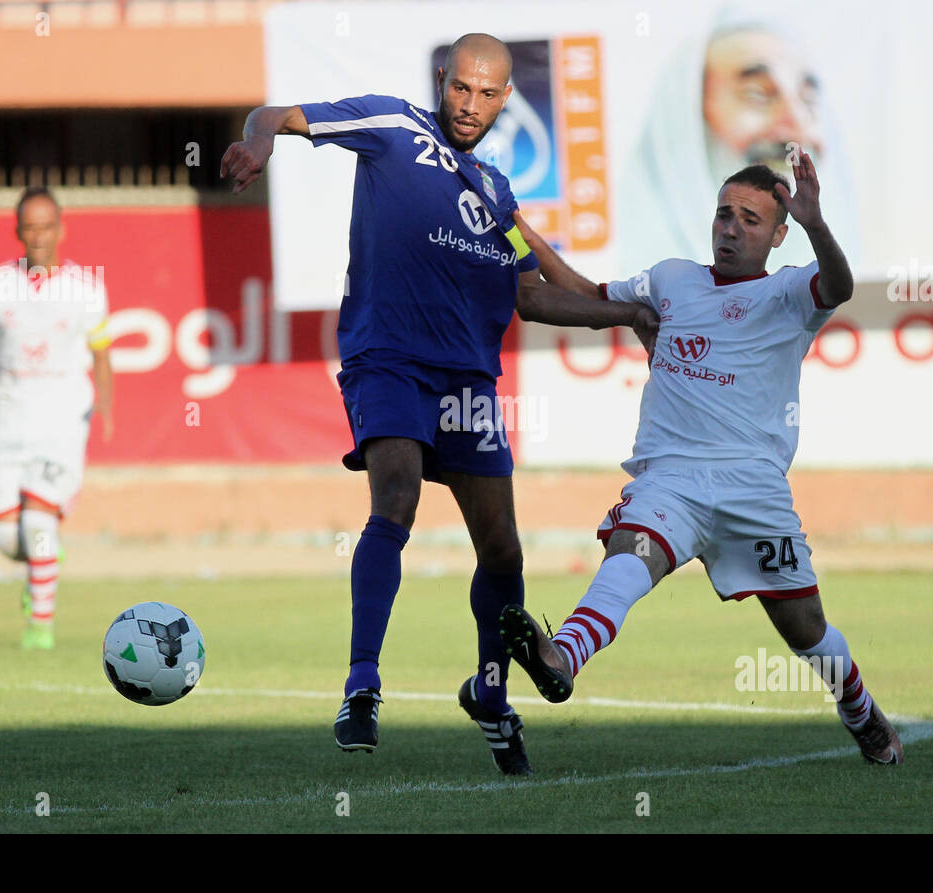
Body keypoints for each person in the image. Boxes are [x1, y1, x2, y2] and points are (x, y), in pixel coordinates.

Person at [220, 33, 657, 775]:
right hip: (387, 358)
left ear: (506, 100)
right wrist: (256, 144)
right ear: (442, 80)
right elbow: (277, 113)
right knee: (395, 498)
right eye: (461, 88)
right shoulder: (392, 126)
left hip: (467, 381)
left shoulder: (496, 192)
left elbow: (532, 290)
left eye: (488, 95)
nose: (471, 104)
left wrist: (623, 313)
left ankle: (490, 694)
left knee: (505, 551)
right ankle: (362, 684)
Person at [504, 151, 903, 765]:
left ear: (778, 234)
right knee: (629, 556)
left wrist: (819, 224)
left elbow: (840, 286)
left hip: (753, 487)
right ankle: (560, 657)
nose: (731, 228)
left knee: (807, 633)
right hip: (672, 478)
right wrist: (519, 229)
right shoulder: (671, 278)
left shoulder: (790, 290)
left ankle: (859, 711)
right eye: (724, 214)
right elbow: (581, 293)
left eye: (750, 218)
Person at [0, 187, 114, 651]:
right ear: (17, 231)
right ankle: (42, 561)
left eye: (47, 225)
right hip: (7, 418)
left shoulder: (86, 288)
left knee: (38, 522)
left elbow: (101, 351)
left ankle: (39, 627)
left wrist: (105, 405)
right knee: (8, 537)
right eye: (30, 226)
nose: (39, 235)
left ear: (61, 229)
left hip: (64, 418)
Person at [620, 8, 861, 274]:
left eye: (808, 99)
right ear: (688, 119)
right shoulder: (652, 282)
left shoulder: (810, 287)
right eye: (758, 94)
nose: (796, 123)